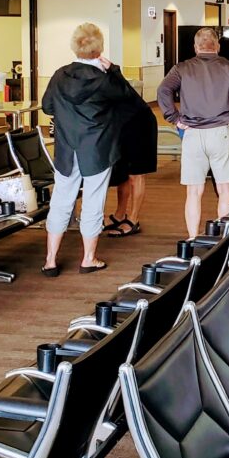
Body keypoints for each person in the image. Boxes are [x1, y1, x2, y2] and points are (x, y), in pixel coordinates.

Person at [41, 23, 133, 276]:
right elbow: (128, 98)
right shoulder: (104, 80)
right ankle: (88, 258)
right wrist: (113, 70)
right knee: (93, 201)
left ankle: (50, 260)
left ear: (74, 46)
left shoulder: (59, 75)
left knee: (61, 200)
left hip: (66, 149)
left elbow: (47, 107)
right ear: (99, 48)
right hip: (97, 149)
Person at [157, 27, 229, 239]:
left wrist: (174, 118)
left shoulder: (182, 68)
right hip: (222, 132)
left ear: (195, 47)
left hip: (192, 133)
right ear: (217, 46)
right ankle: (224, 239)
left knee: (193, 192)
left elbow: (163, 90)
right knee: (226, 189)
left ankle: (193, 237)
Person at [103, 73, 158, 238]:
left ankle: (133, 220)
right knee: (122, 174)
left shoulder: (105, 80)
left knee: (135, 174)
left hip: (141, 124)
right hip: (121, 126)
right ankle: (119, 215)